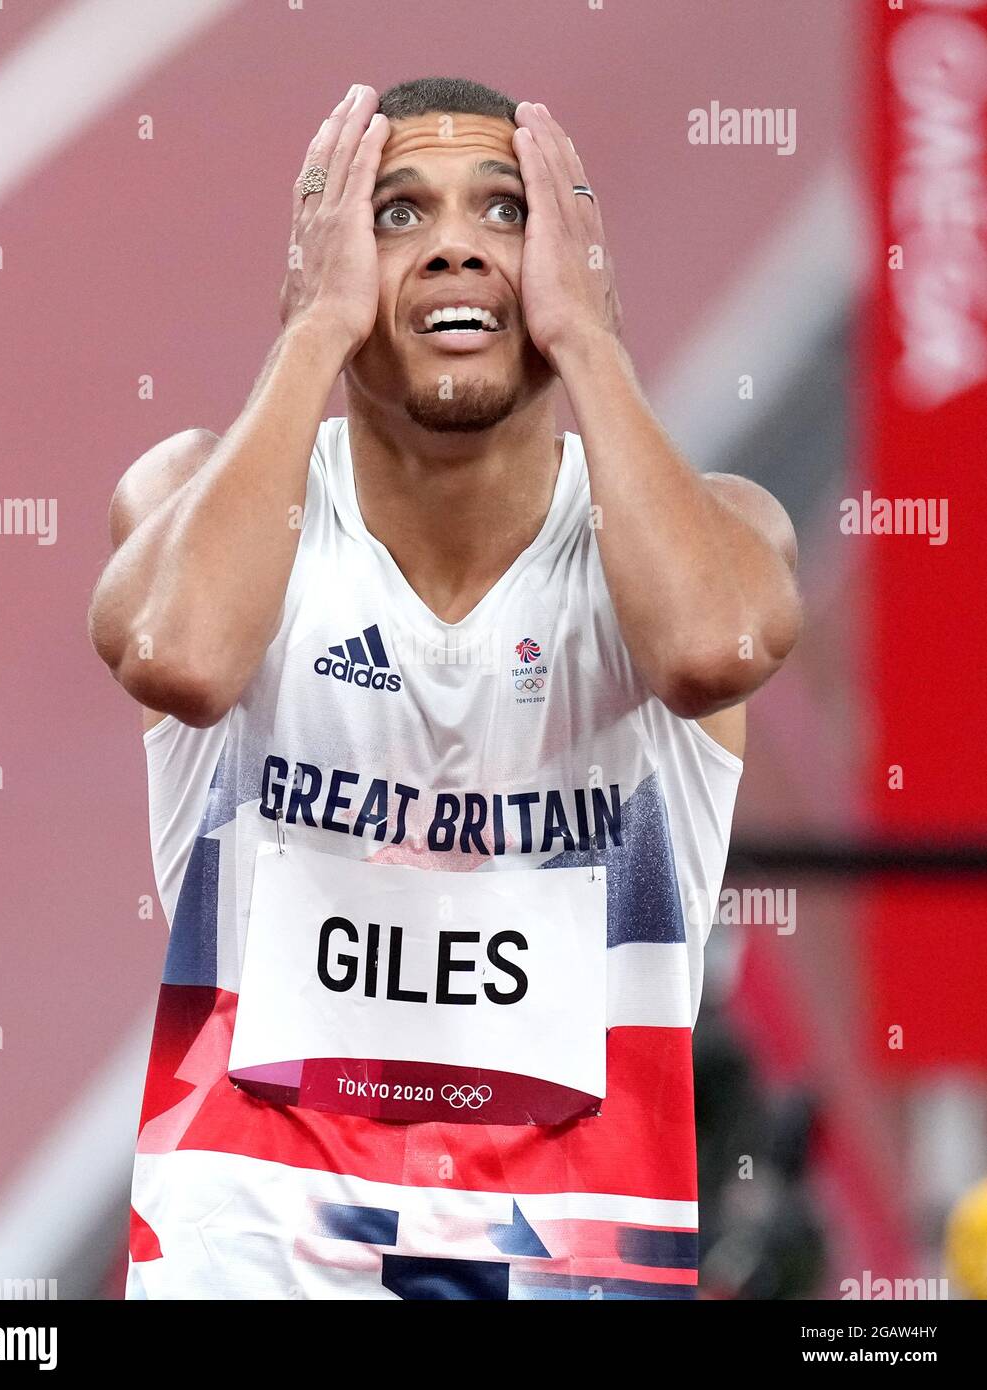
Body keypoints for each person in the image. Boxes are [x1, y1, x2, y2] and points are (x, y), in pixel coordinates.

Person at [88, 75, 802, 1300]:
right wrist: (310, 331)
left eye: (506, 212)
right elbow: (182, 658)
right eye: (397, 213)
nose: (457, 243)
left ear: (571, 261)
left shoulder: (707, 542)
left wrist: (591, 338)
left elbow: (707, 650)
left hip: (574, 1265)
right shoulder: (198, 505)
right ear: (326, 258)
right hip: (249, 1260)